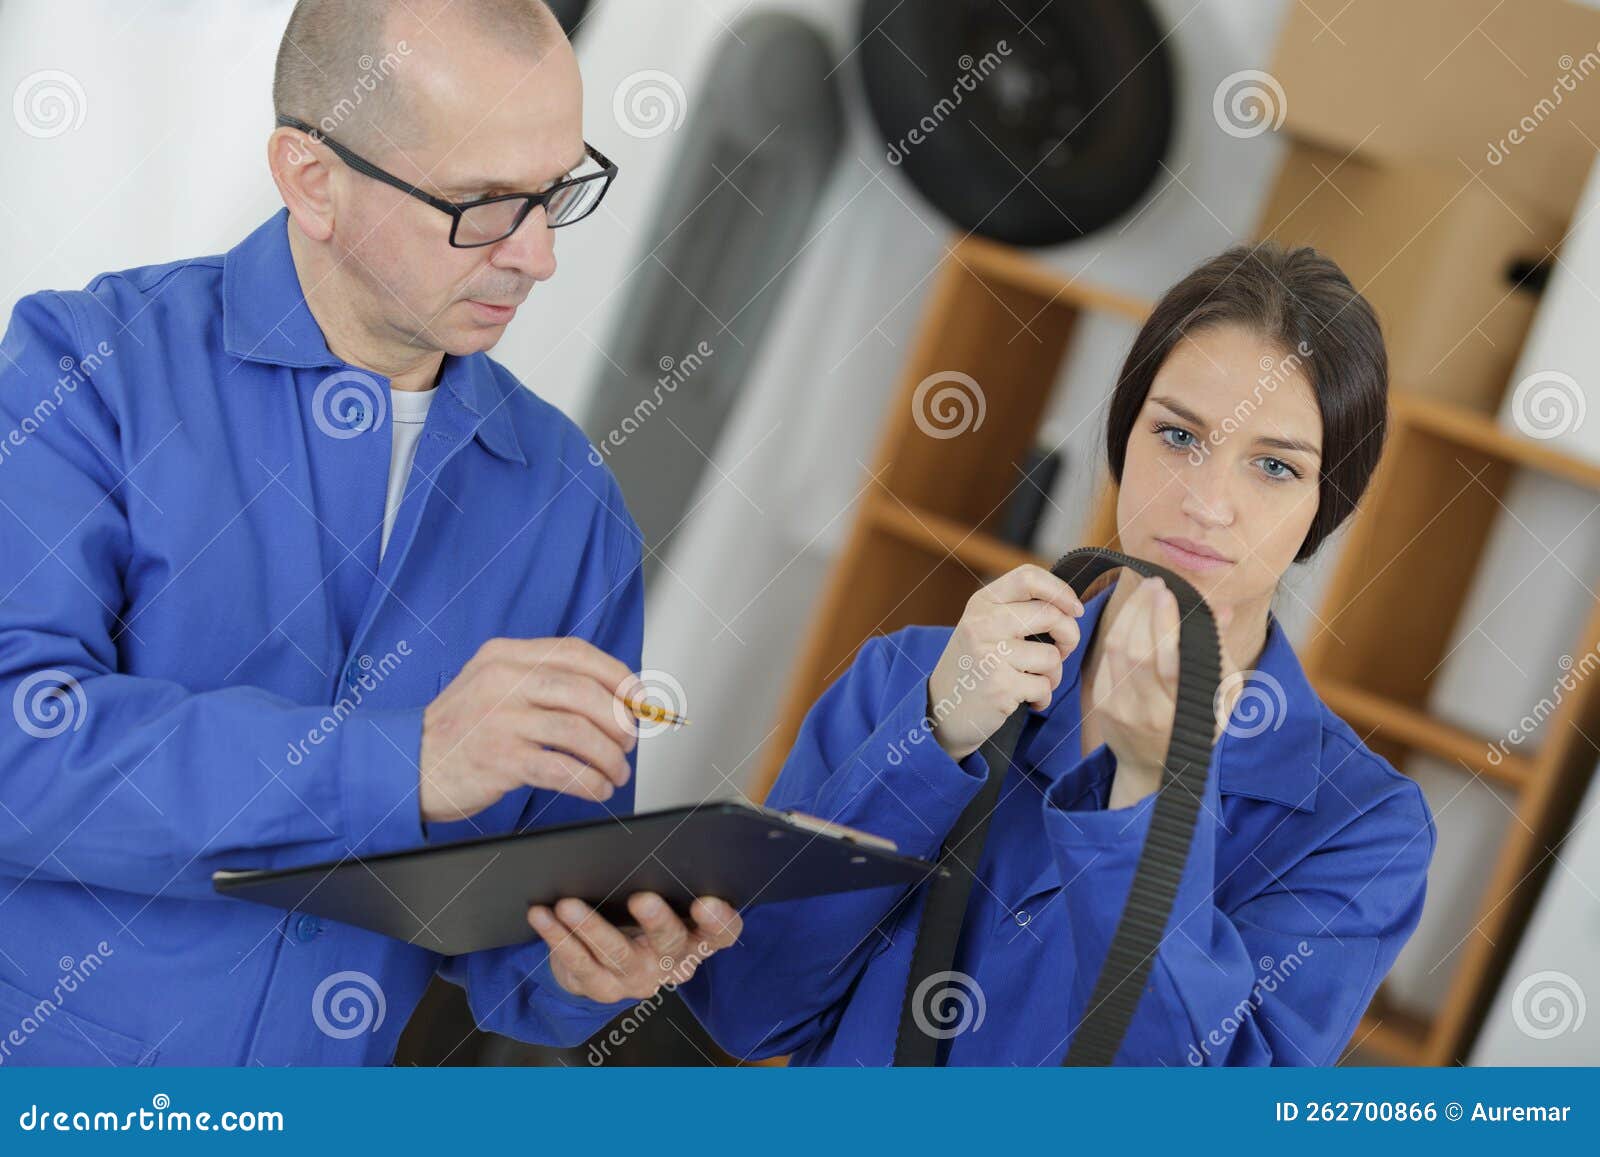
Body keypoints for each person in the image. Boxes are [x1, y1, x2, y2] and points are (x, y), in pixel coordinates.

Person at [0, 0, 738, 1066]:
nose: (536, 256)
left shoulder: (568, 505)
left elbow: (509, 934)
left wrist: (587, 972)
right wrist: (401, 761)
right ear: (312, 180)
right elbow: (19, 748)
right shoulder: (86, 372)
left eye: (555, 193)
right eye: (482, 204)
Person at [678, 243, 1438, 1065]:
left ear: (1327, 505)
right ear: (1123, 437)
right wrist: (932, 743)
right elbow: (745, 1004)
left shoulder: (1361, 827)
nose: (1207, 503)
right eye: (1178, 435)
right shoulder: (907, 679)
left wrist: (1150, 799)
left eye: (1274, 466)